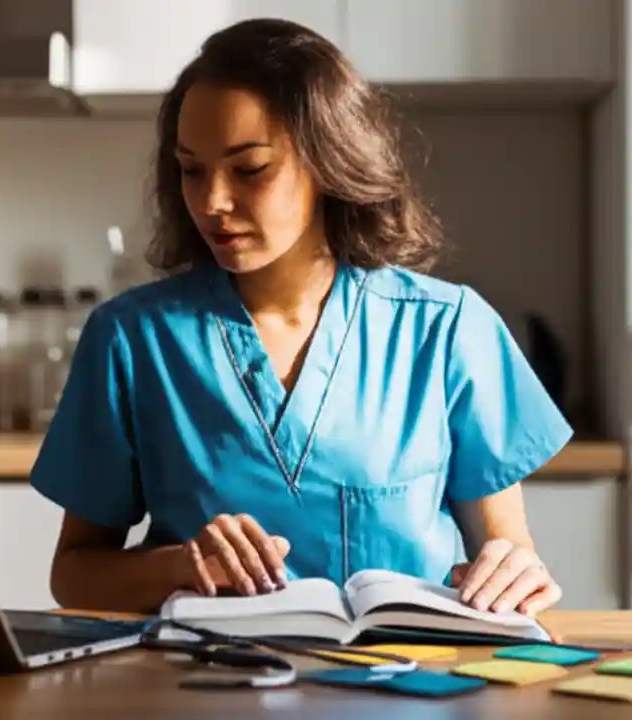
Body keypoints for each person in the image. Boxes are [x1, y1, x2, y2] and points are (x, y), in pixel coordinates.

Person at [30, 19, 572, 617]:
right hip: (204, 675)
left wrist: (516, 575)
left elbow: (508, 553)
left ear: (326, 163)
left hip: (409, 674)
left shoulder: (447, 331)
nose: (212, 201)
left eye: (249, 169)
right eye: (191, 169)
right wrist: (178, 567)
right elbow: (74, 575)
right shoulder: (132, 341)